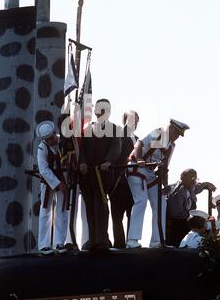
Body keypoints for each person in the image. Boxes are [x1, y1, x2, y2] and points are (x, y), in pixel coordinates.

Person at [126, 119, 190, 249]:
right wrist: (139, 159)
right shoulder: (158, 133)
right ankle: (132, 240)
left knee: (161, 202)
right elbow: (139, 144)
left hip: (149, 173)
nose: (177, 137)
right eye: (176, 133)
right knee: (141, 200)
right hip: (136, 167)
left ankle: (157, 241)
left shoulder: (171, 146)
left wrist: (165, 186)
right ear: (171, 129)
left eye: (179, 135)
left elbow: (164, 166)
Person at [79, 99, 121, 251]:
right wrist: (82, 162)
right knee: (89, 207)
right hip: (87, 174)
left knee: (101, 207)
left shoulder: (115, 129)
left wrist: (108, 161)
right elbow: (81, 148)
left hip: (102, 174)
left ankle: (102, 240)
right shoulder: (86, 129)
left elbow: (116, 148)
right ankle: (92, 240)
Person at [36, 120, 68, 255]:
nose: (50, 141)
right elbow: (44, 169)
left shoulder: (64, 143)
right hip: (48, 182)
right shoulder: (42, 148)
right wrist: (57, 183)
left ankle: (59, 242)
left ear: (55, 133)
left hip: (64, 180)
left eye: (51, 138)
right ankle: (44, 245)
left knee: (62, 210)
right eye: (47, 140)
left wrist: (64, 183)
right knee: (45, 211)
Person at [110, 110, 139, 248]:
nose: (135, 123)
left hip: (133, 183)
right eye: (133, 120)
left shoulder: (137, 139)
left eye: (137, 120)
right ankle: (119, 244)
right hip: (119, 181)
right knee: (117, 216)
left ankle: (130, 242)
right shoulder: (119, 134)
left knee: (132, 215)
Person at [166, 168, 216, 247]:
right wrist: (195, 218)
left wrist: (206, 184)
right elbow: (176, 214)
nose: (194, 182)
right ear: (184, 179)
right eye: (192, 179)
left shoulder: (190, 187)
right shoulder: (177, 192)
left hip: (185, 223)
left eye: (196, 179)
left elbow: (197, 188)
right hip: (176, 226)